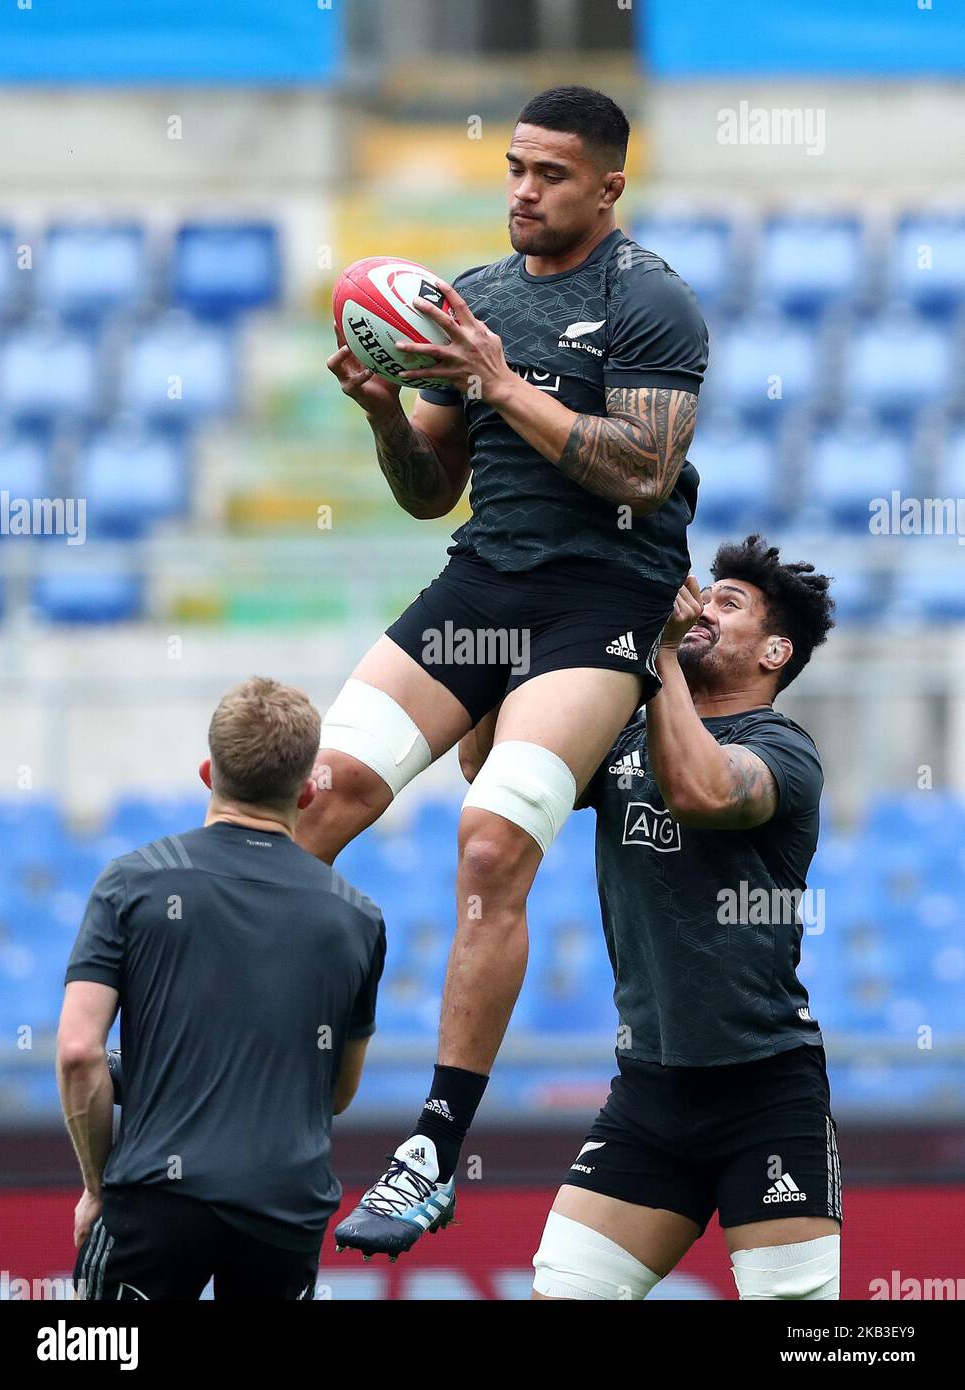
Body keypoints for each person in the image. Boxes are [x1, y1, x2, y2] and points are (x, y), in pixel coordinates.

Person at [300, 83, 708, 1258]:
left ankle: (431, 1149)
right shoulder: (468, 301)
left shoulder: (653, 300)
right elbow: (433, 487)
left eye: (552, 174)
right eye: (517, 168)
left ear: (609, 186)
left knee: (491, 840)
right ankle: (245, 1085)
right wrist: (390, 415)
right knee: (313, 801)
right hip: (484, 582)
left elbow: (639, 470)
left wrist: (495, 379)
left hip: (604, 601)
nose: (524, 190)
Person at [509, 536, 841, 1300]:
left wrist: (657, 650)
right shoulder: (628, 725)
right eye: (707, 594)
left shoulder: (784, 751)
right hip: (648, 1094)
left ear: (775, 651)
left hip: (765, 1092)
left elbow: (704, 791)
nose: (705, 608)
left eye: (730, 605)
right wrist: (532, 616)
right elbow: (487, 760)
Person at [57, 677, 385, 1300]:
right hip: (285, 1211)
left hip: (154, 1202)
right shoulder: (357, 917)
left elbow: (79, 1054)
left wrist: (97, 1188)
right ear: (309, 790)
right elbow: (336, 1091)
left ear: (209, 773)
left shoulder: (131, 884)